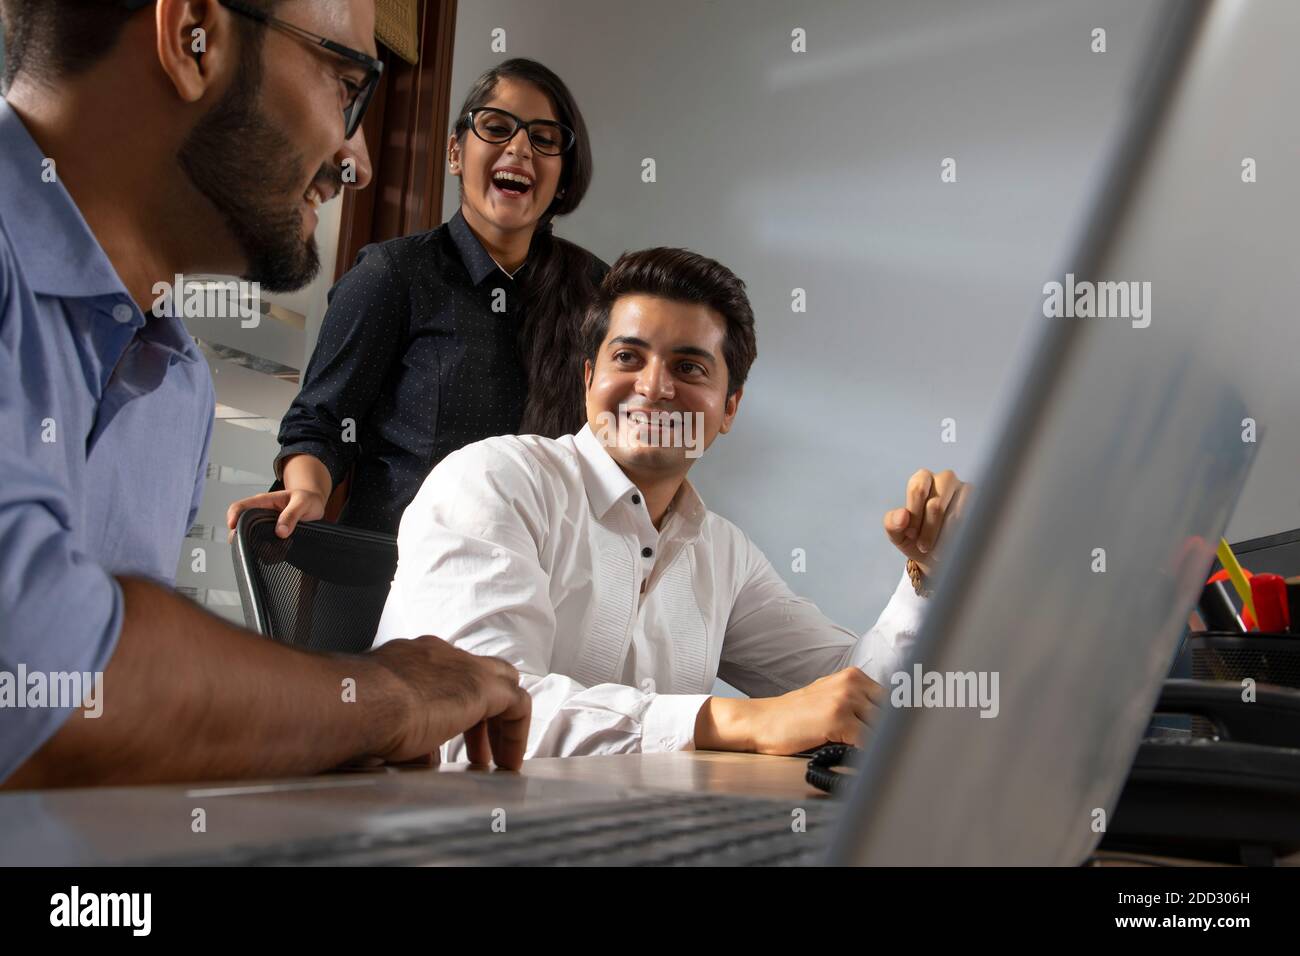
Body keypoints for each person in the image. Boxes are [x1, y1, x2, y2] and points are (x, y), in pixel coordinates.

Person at [0, 0, 528, 790]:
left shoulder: (175, 384)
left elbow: (107, 750)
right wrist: (384, 697)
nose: (359, 159)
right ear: (193, 39)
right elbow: (40, 675)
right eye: (346, 82)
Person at [373, 247, 967, 760]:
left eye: (688, 367)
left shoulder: (724, 553)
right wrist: (735, 721)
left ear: (728, 409)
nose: (654, 387)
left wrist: (929, 575)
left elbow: (858, 697)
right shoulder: (494, 480)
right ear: (588, 379)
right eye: (628, 357)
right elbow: (471, 719)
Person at [227, 57, 608, 539]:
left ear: (564, 176)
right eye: (496, 128)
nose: (519, 148)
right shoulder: (391, 275)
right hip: (393, 573)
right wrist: (307, 489)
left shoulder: (599, 290)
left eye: (544, 139)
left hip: (543, 575)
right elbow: (321, 423)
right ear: (455, 152)